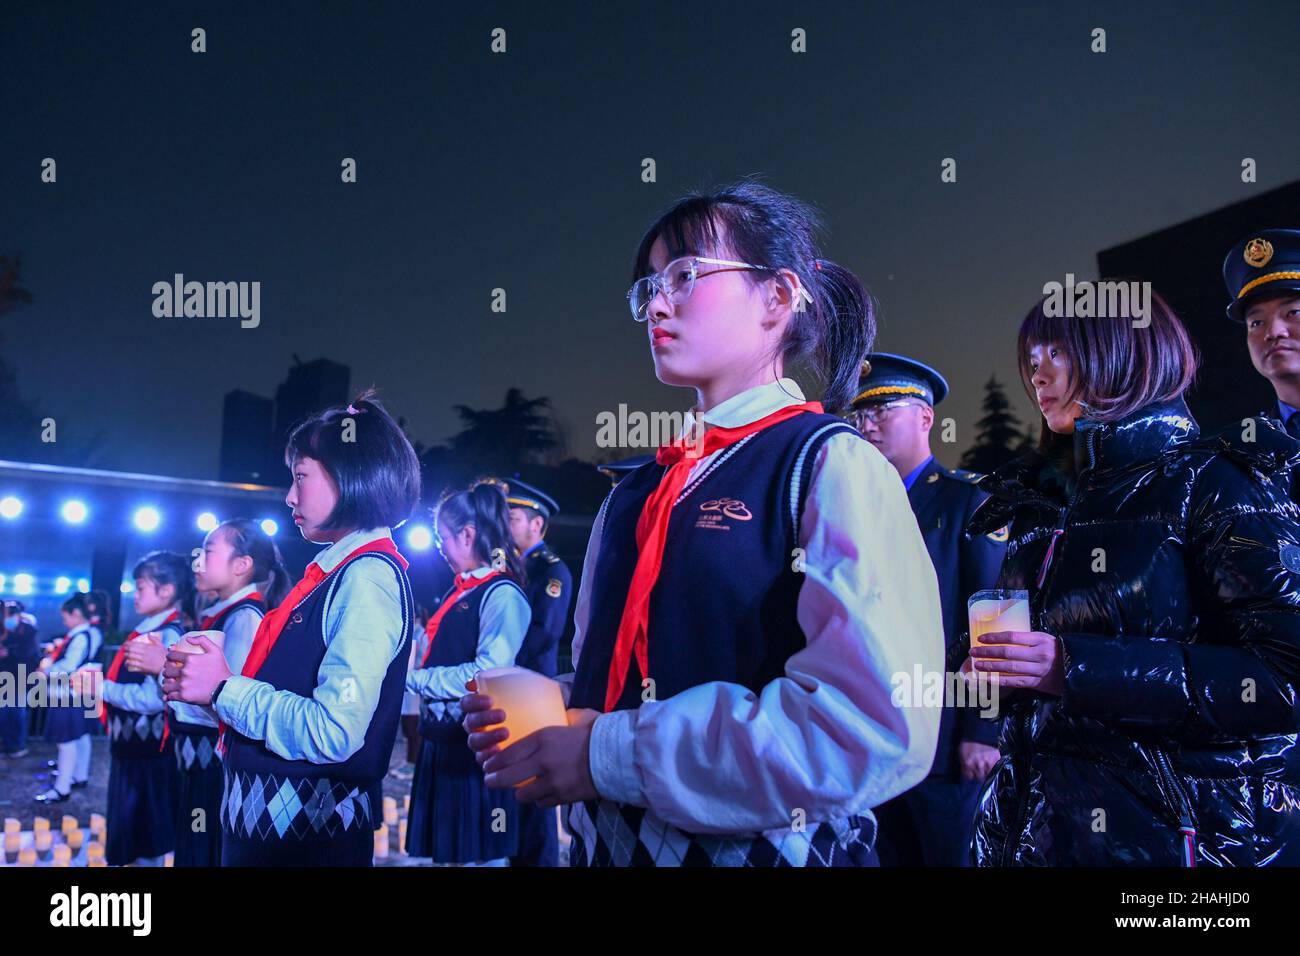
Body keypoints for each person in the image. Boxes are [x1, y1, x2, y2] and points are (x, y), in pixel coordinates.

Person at [463, 180, 943, 866]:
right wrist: (557, 708)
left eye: (686, 275)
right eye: (648, 287)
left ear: (778, 297)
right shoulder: (633, 492)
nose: (656, 303)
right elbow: (626, 686)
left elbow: (873, 727)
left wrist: (604, 755)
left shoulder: (831, 464)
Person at [965, 290, 1300, 866]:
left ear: (1119, 353)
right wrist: (988, 670)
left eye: (1056, 351)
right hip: (1040, 838)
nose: (1037, 372)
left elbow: (1283, 678)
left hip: (1185, 845)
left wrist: (1074, 667)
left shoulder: (1215, 482)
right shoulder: (1044, 501)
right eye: (1031, 357)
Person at [163, 389, 419, 866]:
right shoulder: (338, 572)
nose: (290, 496)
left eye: (300, 477)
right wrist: (204, 692)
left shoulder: (366, 577)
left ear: (352, 476)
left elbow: (333, 732)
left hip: (303, 843)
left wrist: (223, 689)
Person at [851, 353, 1006, 866]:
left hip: (944, 743)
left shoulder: (969, 501)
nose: (867, 424)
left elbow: (993, 620)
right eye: (860, 414)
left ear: (925, 417)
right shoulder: (854, 506)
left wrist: (982, 730)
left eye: (882, 410)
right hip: (869, 739)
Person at [128, 518, 287, 867]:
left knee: (204, 847)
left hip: (214, 766)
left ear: (242, 565)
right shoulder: (220, 615)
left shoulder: (245, 619)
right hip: (197, 761)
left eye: (209, 553)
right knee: (194, 843)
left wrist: (163, 665)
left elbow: (232, 701)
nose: (197, 562)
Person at [405, 480, 530, 865]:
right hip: (444, 741)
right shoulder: (459, 591)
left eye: (443, 536)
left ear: (468, 534)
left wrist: (411, 679)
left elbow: (486, 672)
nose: (440, 546)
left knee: (481, 857)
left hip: (474, 748)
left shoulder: (501, 593)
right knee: (448, 855)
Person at [101, 551, 189, 866]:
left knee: (145, 835)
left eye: (140, 587)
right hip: (134, 748)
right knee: (134, 831)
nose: (135, 594)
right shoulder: (150, 630)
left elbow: (153, 699)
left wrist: (102, 688)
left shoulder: (167, 635)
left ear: (166, 591)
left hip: (149, 751)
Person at [502, 477, 572, 866]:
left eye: (512, 517)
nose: (504, 524)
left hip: (533, 691)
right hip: (509, 691)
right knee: (512, 787)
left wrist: (496, 657)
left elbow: (544, 633)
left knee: (536, 792)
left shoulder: (551, 571)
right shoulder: (509, 568)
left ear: (537, 524)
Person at [34, 591, 105, 803]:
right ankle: (79, 776)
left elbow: (68, 666)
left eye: (65, 617)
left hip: (68, 694)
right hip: (81, 693)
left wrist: (45, 670)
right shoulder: (91, 632)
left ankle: (62, 788)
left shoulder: (80, 636)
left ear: (76, 614)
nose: (64, 622)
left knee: (66, 741)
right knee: (80, 736)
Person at [0, 600, 40, 758]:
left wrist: (8, 653)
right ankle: (8, 743)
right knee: (5, 712)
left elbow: (30, 655)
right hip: (6, 678)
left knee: (17, 712)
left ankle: (17, 745)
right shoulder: (5, 630)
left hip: (22, 678)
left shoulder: (28, 630)